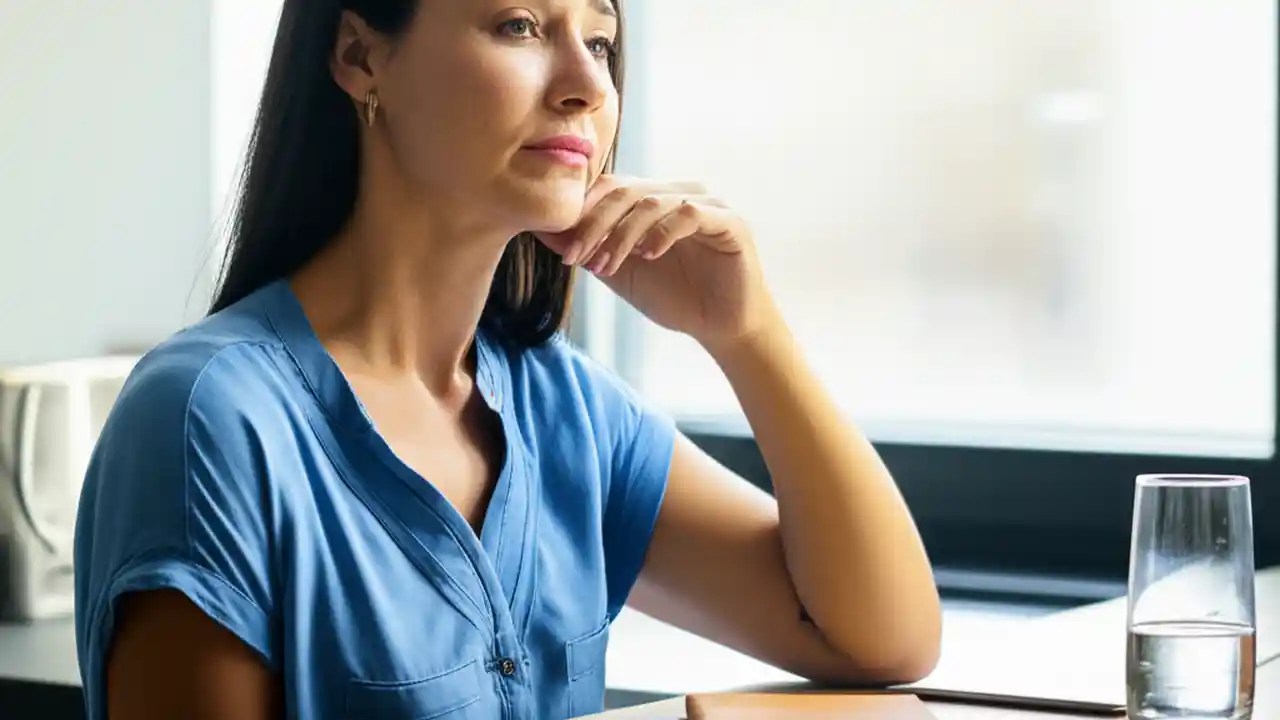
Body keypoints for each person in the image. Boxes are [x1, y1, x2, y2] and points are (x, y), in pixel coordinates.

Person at [73, 0, 942, 717]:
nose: (585, 86)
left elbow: (885, 636)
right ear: (358, 56)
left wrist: (744, 335)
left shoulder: (565, 408)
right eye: (522, 26)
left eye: (599, 41)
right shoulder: (209, 419)